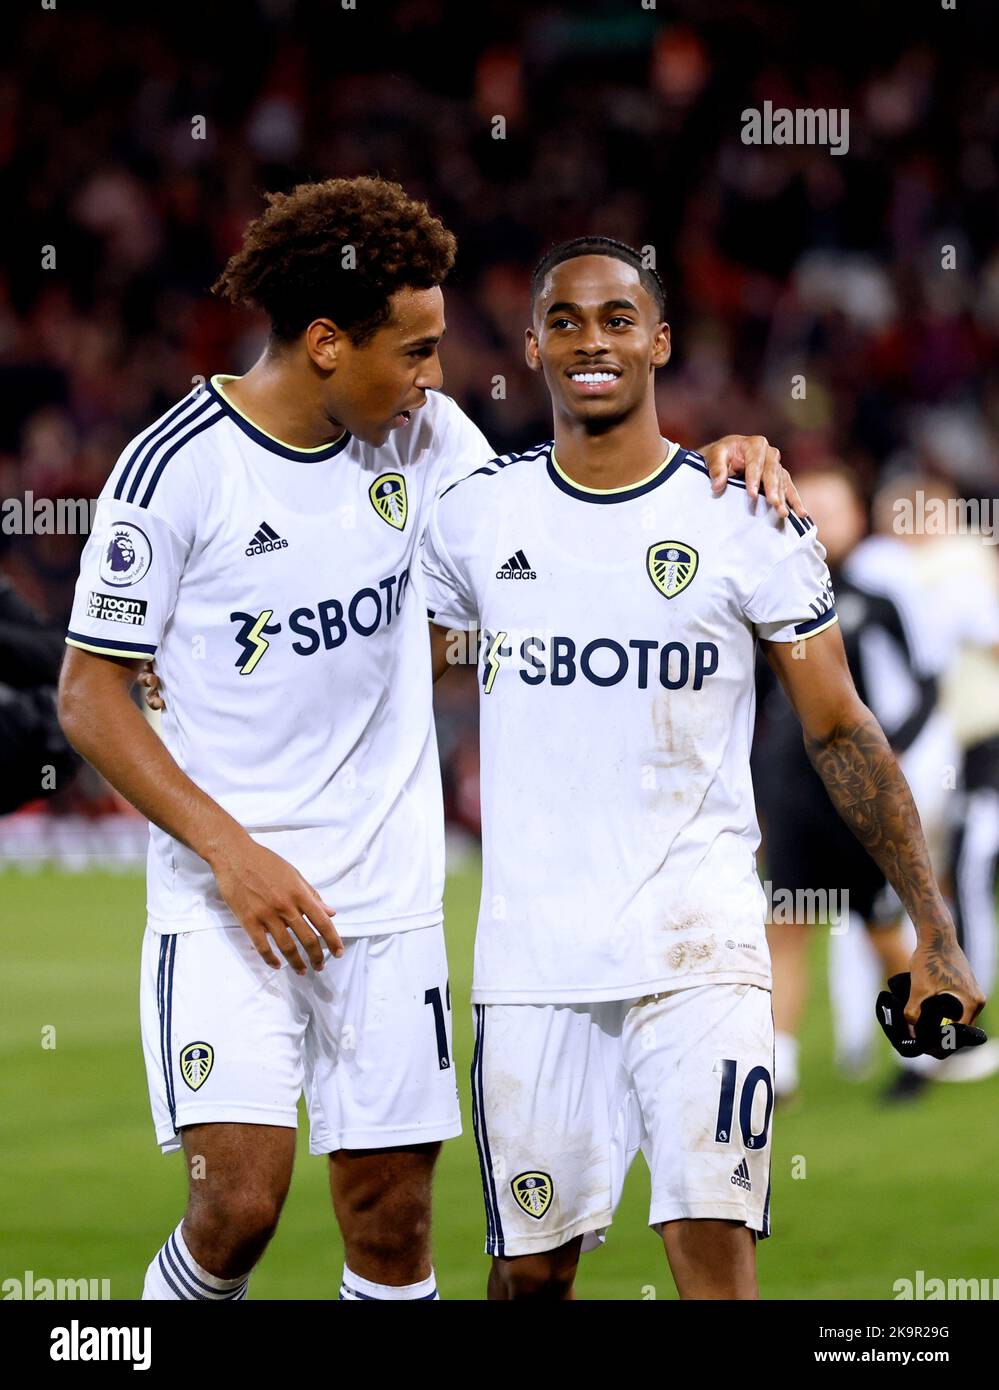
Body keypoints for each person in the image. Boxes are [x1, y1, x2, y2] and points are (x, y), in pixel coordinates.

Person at [58, 178, 789, 1302]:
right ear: (321, 345)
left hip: (387, 908)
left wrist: (721, 467)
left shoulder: (424, 440)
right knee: (240, 1204)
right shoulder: (175, 471)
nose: (436, 379)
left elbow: (558, 522)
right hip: (226, 897)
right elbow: (88, 696)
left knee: (394, 1228)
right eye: (414, 351)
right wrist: (233, 853)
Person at [420, 236, 985, 1299]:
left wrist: (937, 929)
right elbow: (378, 656)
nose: (594, 341)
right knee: (528, 1277)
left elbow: (844, 731)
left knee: (714, 1263)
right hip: (534, 968)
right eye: (569, 321)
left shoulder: (744, 516)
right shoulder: (477, 517)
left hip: (703, 956)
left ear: (661, 340)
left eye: (619, 318)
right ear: (535, 342)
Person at [752, 465, 940, 1105]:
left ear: (859, 518)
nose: (824, 519)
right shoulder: (767, 595)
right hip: (790, 793)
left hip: (855, 799)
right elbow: (750, 701)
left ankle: (922, 1051)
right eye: (814, 505)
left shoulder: (873, 603)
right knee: (789, 924)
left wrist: (890, 750)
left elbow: (924, 684)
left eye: (837, 507)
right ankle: (781, 1068)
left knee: (882, 927)